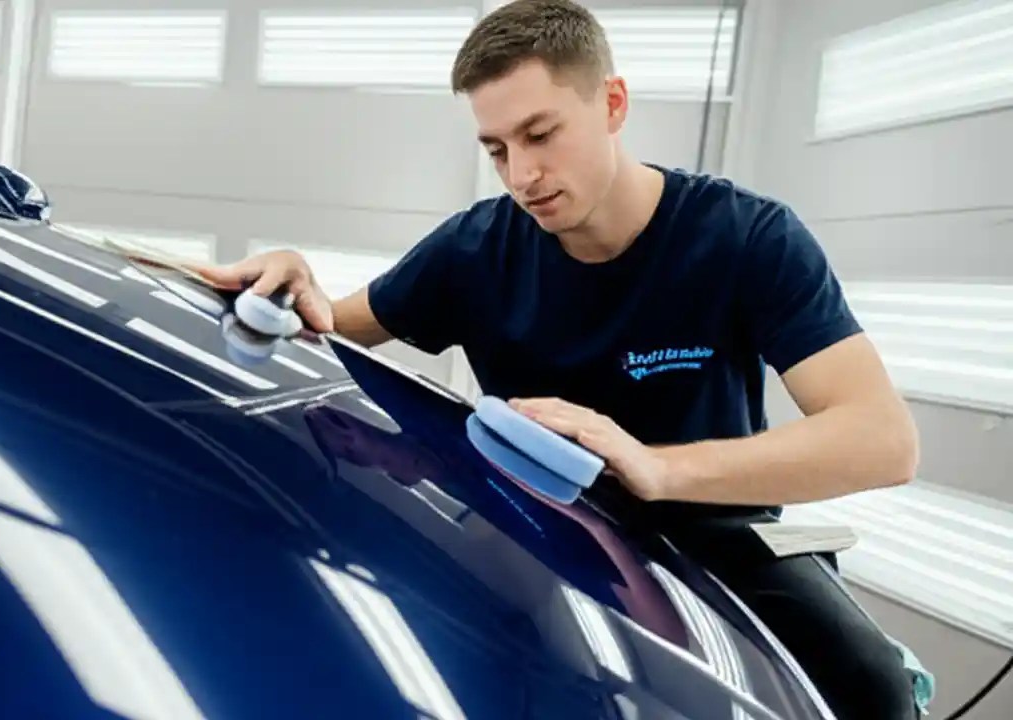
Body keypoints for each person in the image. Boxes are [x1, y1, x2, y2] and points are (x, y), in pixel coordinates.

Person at [197, 1, 921, 717]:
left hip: (713, 537)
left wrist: (659, 468)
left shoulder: (747, 237)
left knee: (872, 685)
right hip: (534, 526)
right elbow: (328, 329)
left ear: (612, 103)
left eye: (541, 135)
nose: (522, 175)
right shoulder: (473, 249)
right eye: (498, 149)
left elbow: (883, 441)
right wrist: (289, 281)